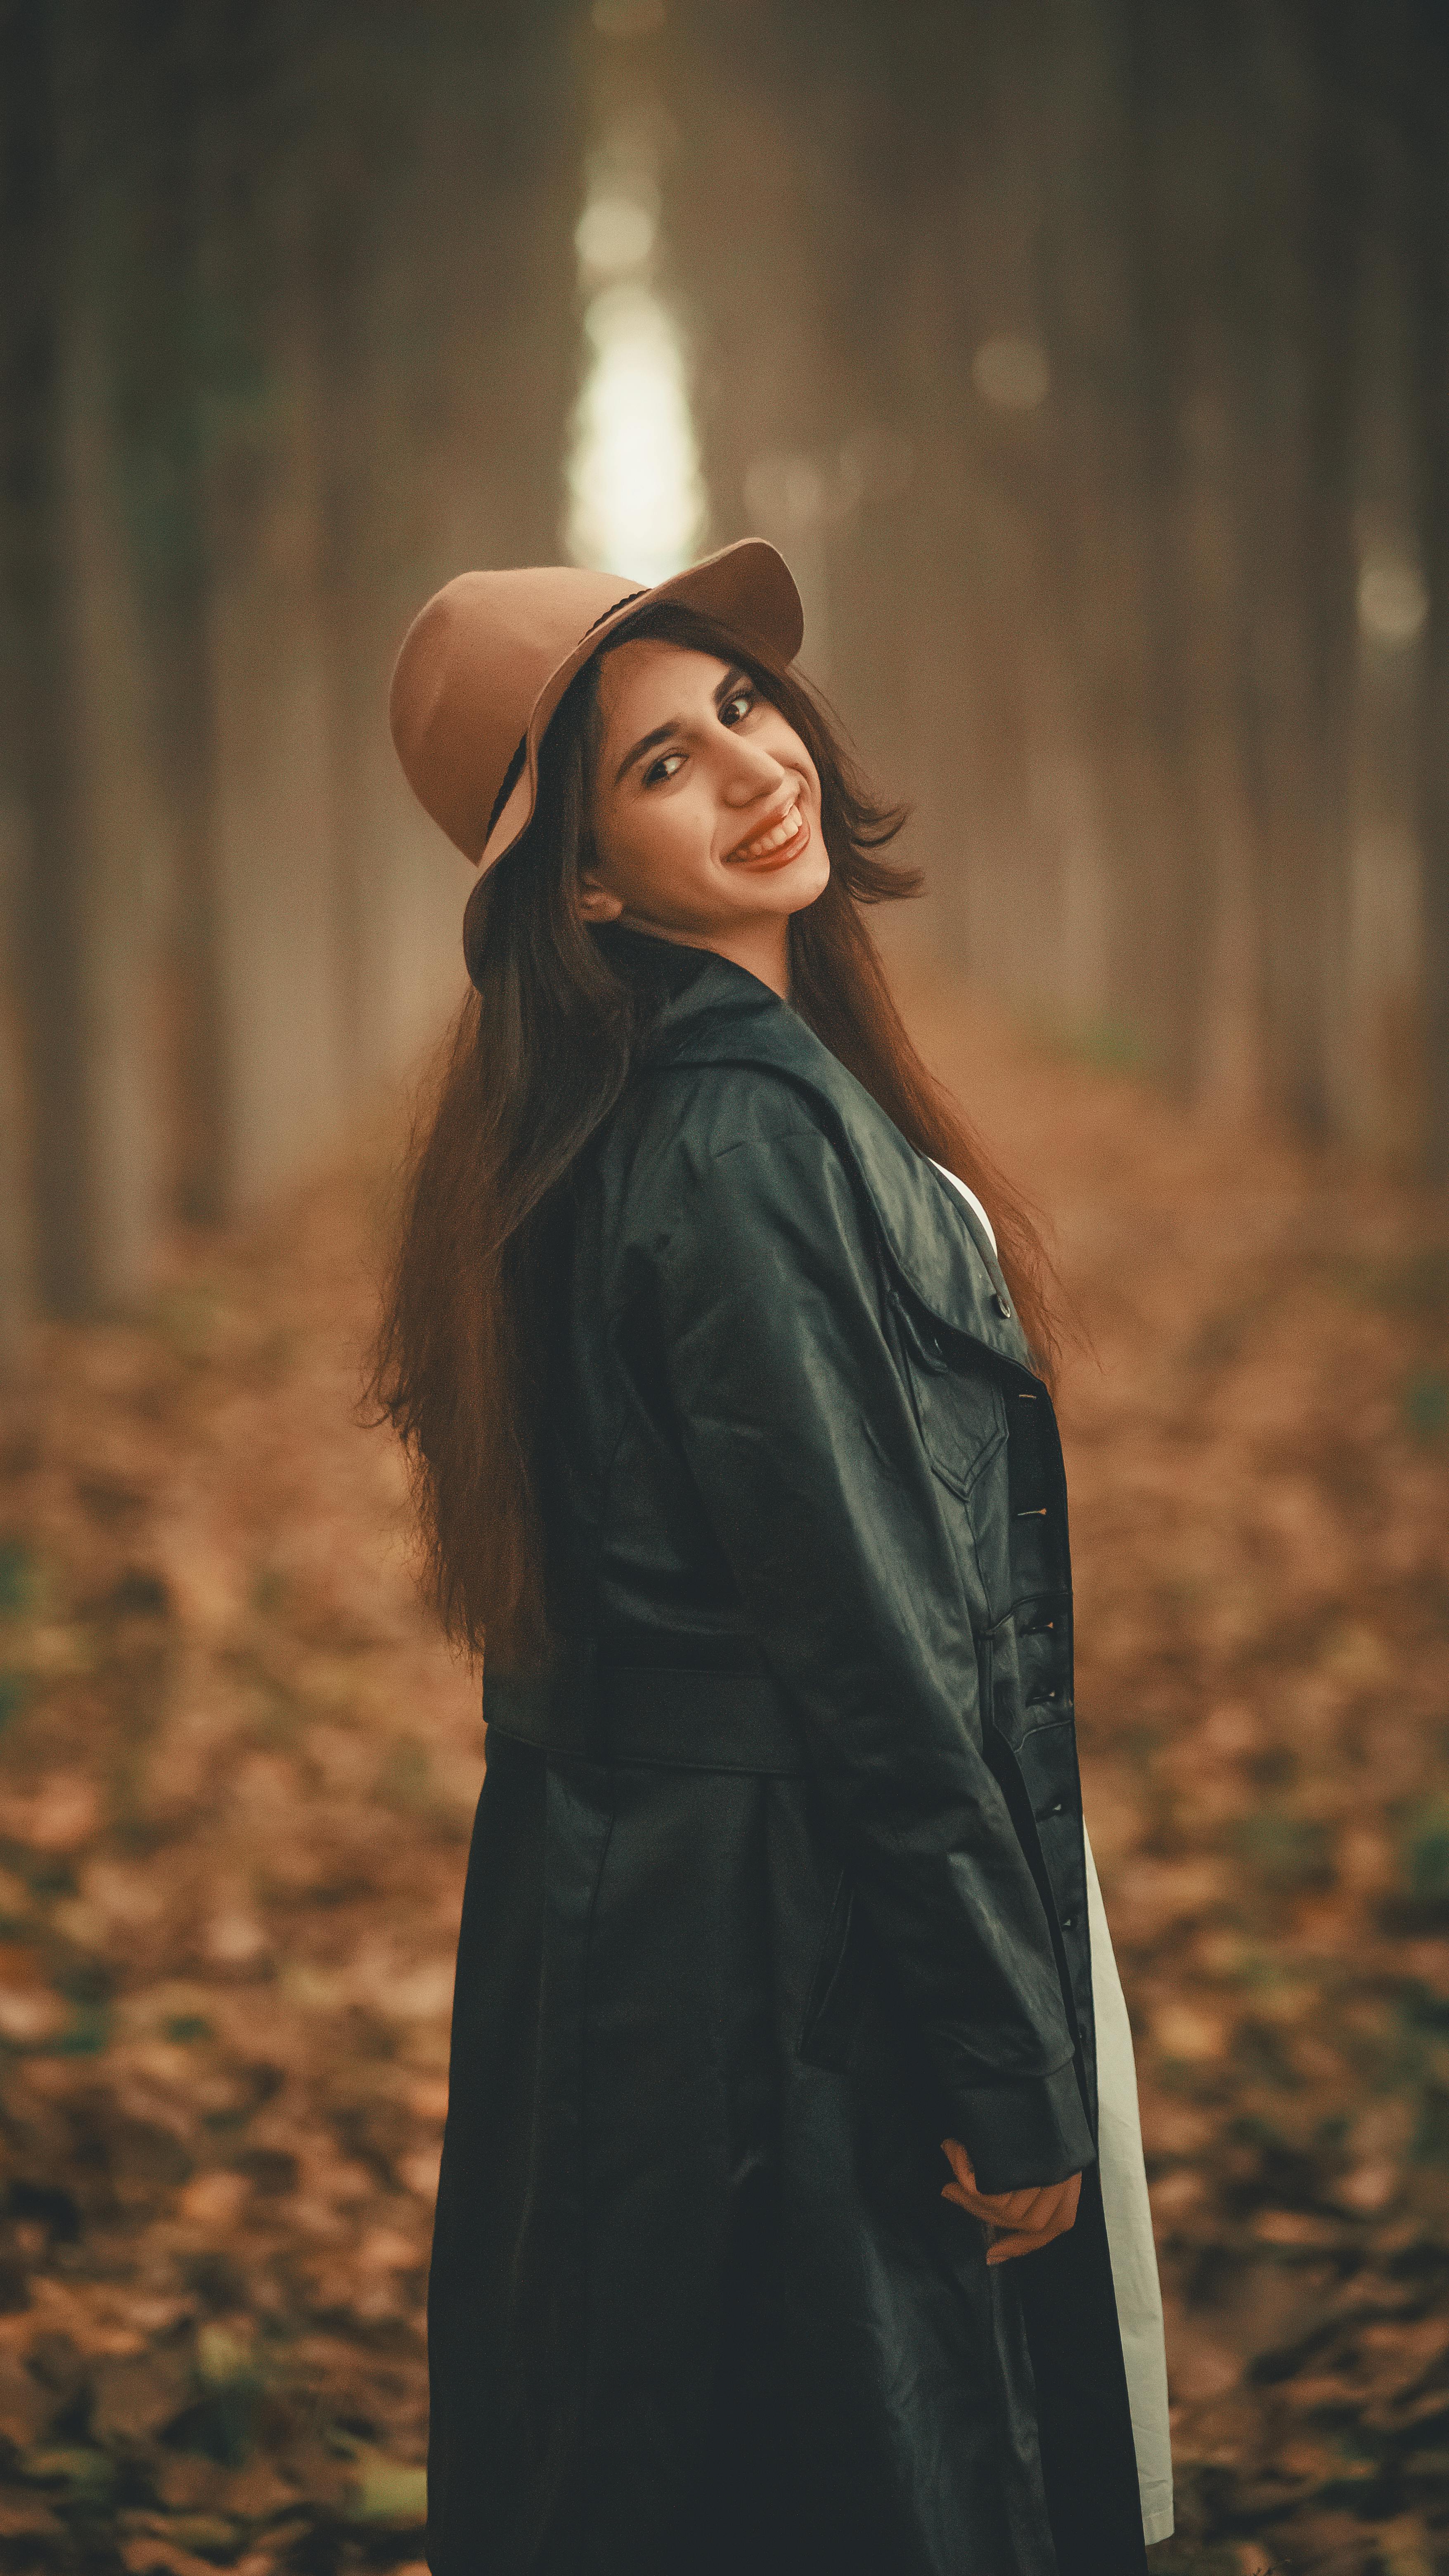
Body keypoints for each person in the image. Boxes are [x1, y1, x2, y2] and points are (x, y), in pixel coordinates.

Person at [376, 540, 1173, 2575]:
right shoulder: (734, 1143)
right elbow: (870, 1646)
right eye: (659, 766)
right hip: (778, 1963)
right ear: (579, 883)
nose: (752, 768)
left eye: (739, 707)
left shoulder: (639, 1112)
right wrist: (1007, 2066)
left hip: (649, 1942)